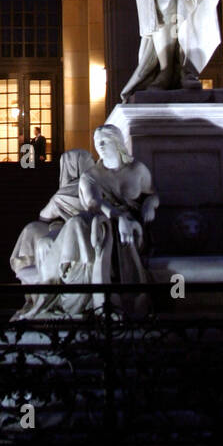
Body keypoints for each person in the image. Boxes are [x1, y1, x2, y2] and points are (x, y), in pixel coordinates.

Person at [10, 126, 157, 318]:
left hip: (129, 226)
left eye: (104, 141)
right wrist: (120, 217)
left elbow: (151, 193)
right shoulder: (91, 176)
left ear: (117, 141)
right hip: (104, 223)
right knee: (81, 225)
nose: (100, 146)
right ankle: (88, 294)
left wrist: (150, 205)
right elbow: (94, 203)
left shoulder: (138, 169)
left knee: (77, 227)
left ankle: (84, 293)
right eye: (96, 142)